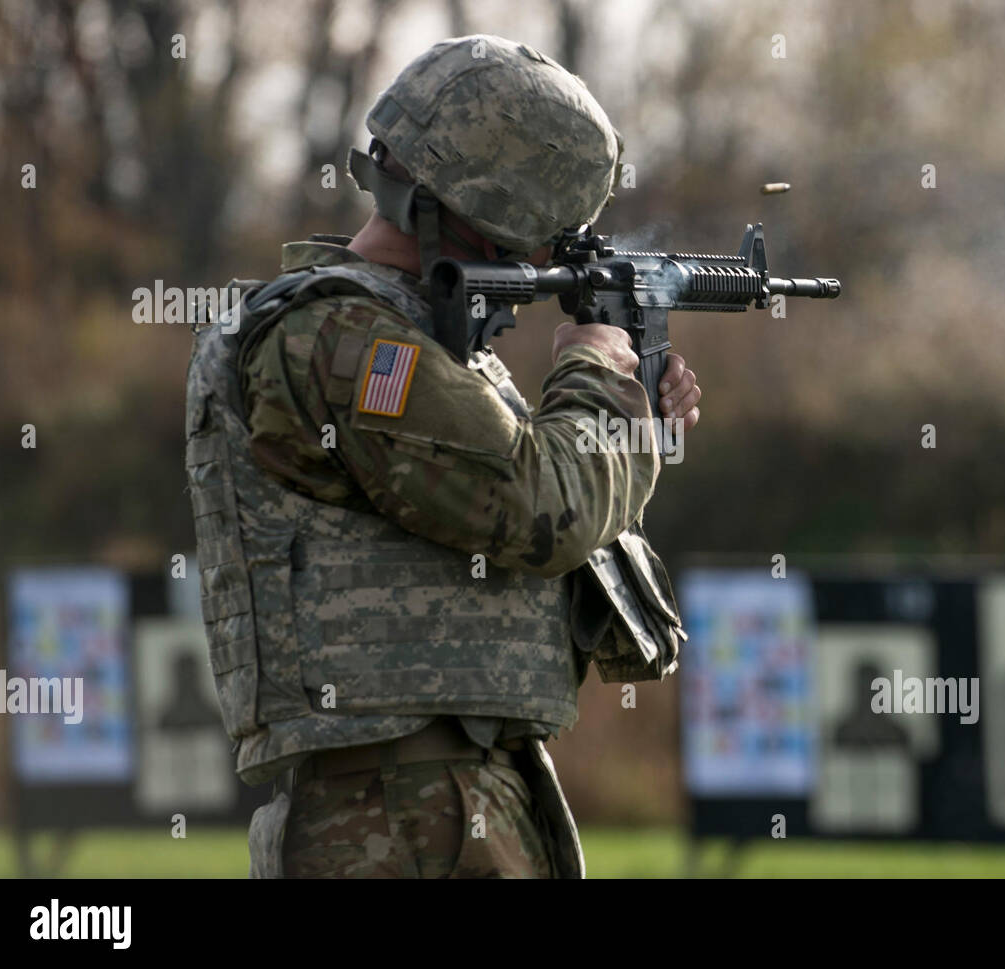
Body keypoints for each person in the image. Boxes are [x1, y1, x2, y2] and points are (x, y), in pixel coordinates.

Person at [184, 34, 698, 878]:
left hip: (444, 796)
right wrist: (597, 370)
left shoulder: (415, 338)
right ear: (504, 218)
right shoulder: (342, 339)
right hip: (402, 814)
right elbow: (540, 508)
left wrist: (635, 421)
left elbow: (530, 506)